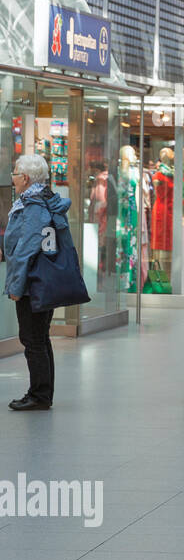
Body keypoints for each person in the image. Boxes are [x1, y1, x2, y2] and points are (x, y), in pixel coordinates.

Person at [5, 155, 74, 410]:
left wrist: (15, 286)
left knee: (32, 339)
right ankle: (42, 392)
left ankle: (39, 395)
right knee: (40, 337)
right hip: (44, 279)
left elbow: (27, 248)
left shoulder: (32, 205)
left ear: (25, 178)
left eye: (14, 173)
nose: (11, 179)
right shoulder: (46, 199)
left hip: (32, 282)